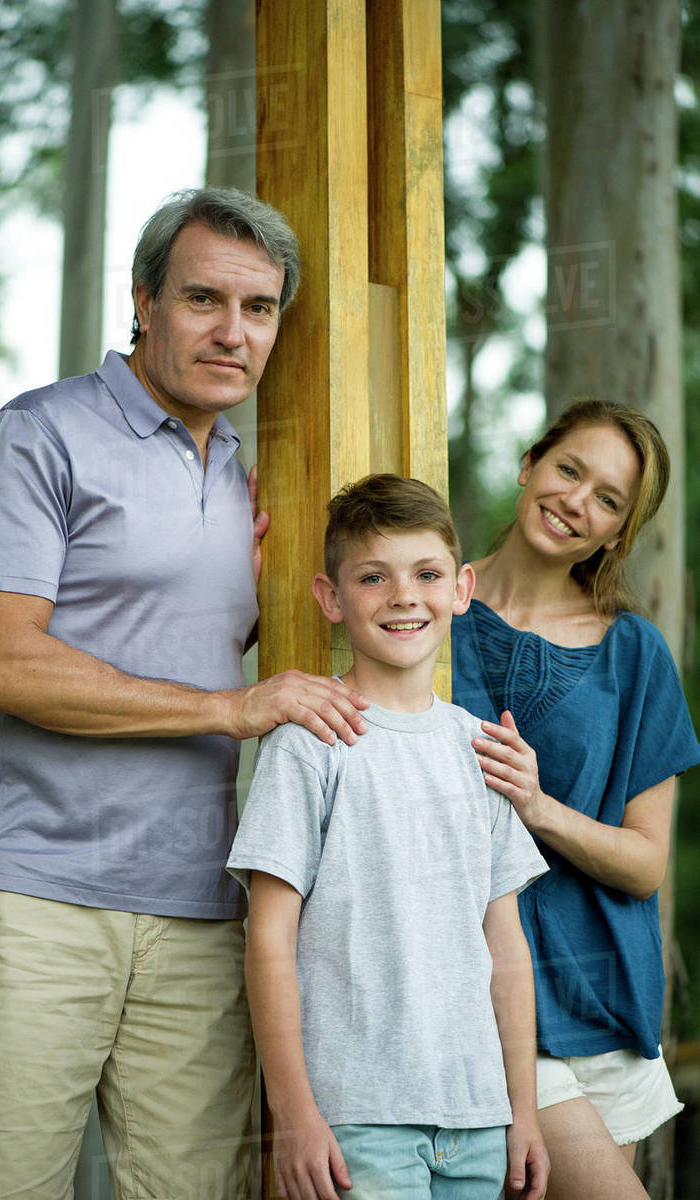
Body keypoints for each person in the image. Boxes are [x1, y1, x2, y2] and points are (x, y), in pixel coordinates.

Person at [0, 187, 370, 1200]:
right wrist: (231, 707)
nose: (233, 331)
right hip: (37, 897)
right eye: (204, 299)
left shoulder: (242, 475)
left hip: (200, 909)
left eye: (259, 310)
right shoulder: (40, 435)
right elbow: (2, 663)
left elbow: (180, 634)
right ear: (145, 300)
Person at [227, 473, 551, 1200]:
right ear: (331, 598)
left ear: (460, 588)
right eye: (373, 577)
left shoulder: (483, 748)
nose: (404, 596)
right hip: (354, 1119)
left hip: (475, 1118)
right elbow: (269, 940)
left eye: (426, 574)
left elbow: (505, 947)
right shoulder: (309, 742)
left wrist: (520, 1111)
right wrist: (296, 1115)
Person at [451, 399, 700, 1200]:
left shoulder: (635, 654)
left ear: (616, 535)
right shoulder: (425, 605)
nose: (575, 502)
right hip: (484, 988)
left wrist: (539, 804)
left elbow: (644, 864)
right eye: (568, 470)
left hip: (600, 992)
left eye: (606, 499)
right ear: (529, 465)